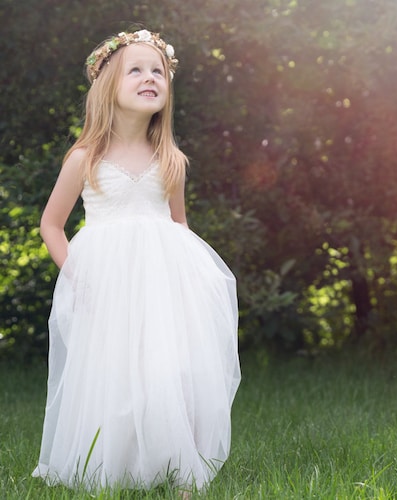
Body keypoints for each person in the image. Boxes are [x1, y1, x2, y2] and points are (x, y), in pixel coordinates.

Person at [32, 29, 241, 494]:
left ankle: (180, 465)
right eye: (137, 69)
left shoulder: (171, 160)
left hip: (165, 278)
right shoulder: (85, 158)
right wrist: (77, 277)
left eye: (159, 71)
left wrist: (197, 280)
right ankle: (116, 461)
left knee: (170, 367)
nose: (151, 78)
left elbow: (178, 224)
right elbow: (51, 224)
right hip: (107, 280)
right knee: (114, 370)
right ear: (109, 85)